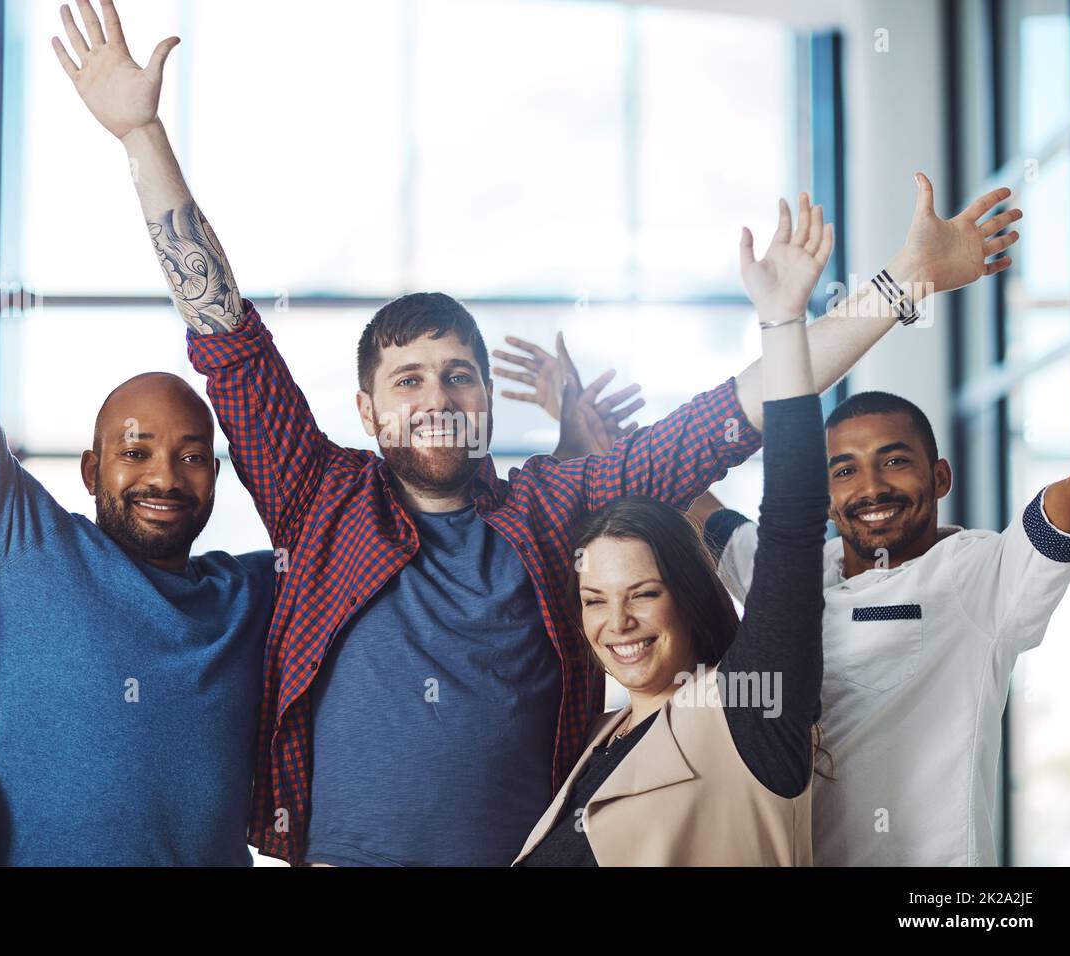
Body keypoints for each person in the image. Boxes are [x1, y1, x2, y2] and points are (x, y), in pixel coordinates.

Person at [56, 0, 1020, 866]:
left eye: (458, 375)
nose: (436, 396)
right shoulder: (321, 498)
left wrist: (905, 285)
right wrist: (142, 136)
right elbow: (226, 334)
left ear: (485, 402)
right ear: (368, 410)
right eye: (408, 379)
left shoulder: (556, 508)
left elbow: (731, 415)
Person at [0, 7, 275, 865]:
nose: (164, 475)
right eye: (136, 451)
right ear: (89, 469)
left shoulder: (252, 596)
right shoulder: (26, 545)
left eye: (190, 455)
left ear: (218, 476)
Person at [516, 195, 831, 865]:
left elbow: (793, 527)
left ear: (689, 592)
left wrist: (781, 323)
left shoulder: (747, 711)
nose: (618, 622)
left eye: (643, 593)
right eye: (595, 600)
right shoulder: (600, 740)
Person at [695, 391, 1070, 866]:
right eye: (845, 471)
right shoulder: (791, 573)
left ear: (940, 477)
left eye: (894, 461)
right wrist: (599, 449)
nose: (871, 487)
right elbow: (711, 519)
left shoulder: (980, 576)